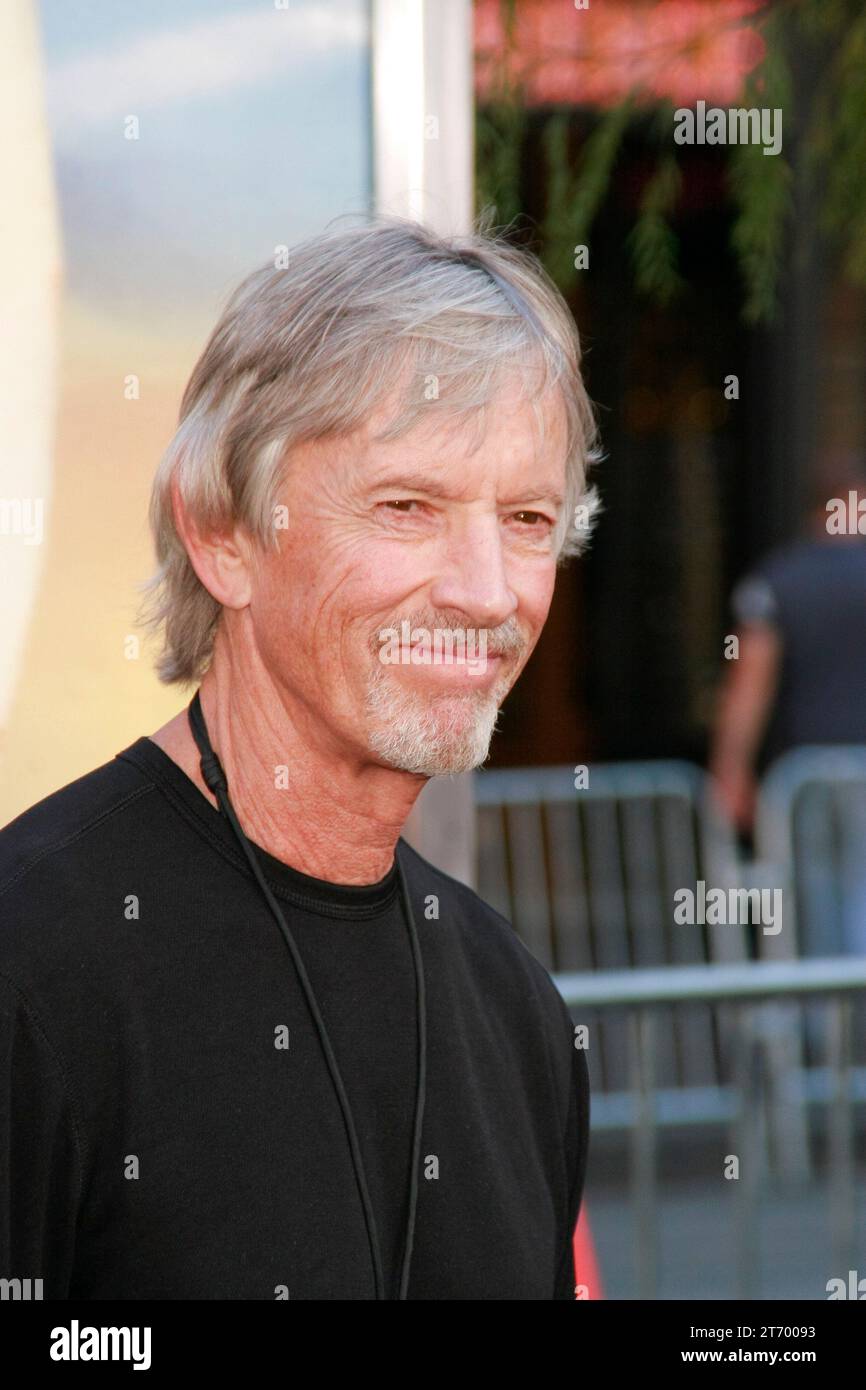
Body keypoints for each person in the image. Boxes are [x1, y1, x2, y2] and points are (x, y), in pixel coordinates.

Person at [0, 217, 600, 1300]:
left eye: (524, 518)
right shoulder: (32, 963)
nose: (485, 588)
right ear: (221, 532)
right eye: (407, 506)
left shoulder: (515, 1012)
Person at [709, 462, 866, 955]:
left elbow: (748, 683)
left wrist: (730, 768)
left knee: (817, 907)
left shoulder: (779, 580)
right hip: (821, 780)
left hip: (806, 779)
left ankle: (832, 1026)